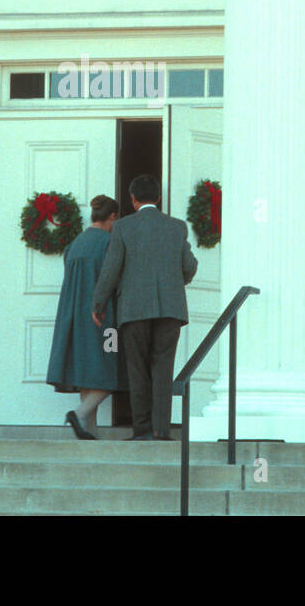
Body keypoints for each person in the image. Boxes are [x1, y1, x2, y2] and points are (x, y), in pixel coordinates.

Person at [91, 175, 198, 441]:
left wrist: (99, 303)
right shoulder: (177, 227)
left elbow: (111, 269)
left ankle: (141, 430)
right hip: (170, 310)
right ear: (158, 198)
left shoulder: (123, 227)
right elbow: (190, 265)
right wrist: (175, 283)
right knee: (163, 371)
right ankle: (161, 430)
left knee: (137, 370)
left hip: (134, 310)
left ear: (133, 199)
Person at [46, 195, 127, 440]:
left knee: (86, 376)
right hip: (105, 319)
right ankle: (79, 414)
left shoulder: (76, 243)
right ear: (113, 216)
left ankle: (89, 434)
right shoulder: (110, 242)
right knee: (111, 371)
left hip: (74, 317)